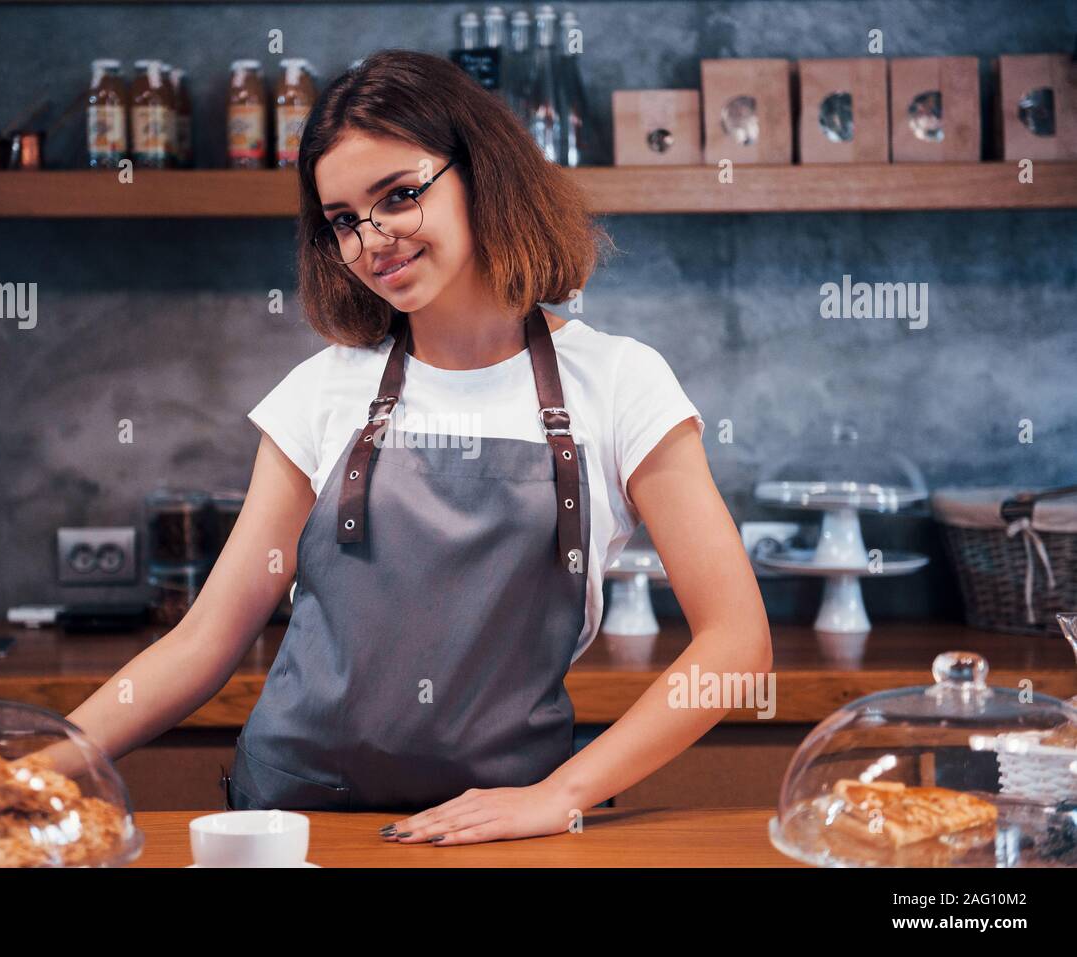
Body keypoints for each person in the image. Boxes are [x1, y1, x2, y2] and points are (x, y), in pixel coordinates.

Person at [67, 49, 772, 847]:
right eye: (342, 219)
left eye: (399, 196)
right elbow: (205, 641)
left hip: (504, 831)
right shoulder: (324, 390)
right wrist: (44, 761)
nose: (372, 240)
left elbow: (737, 640)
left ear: (483, 173)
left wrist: (562, 794)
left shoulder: (619, 382)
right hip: (296, 826)